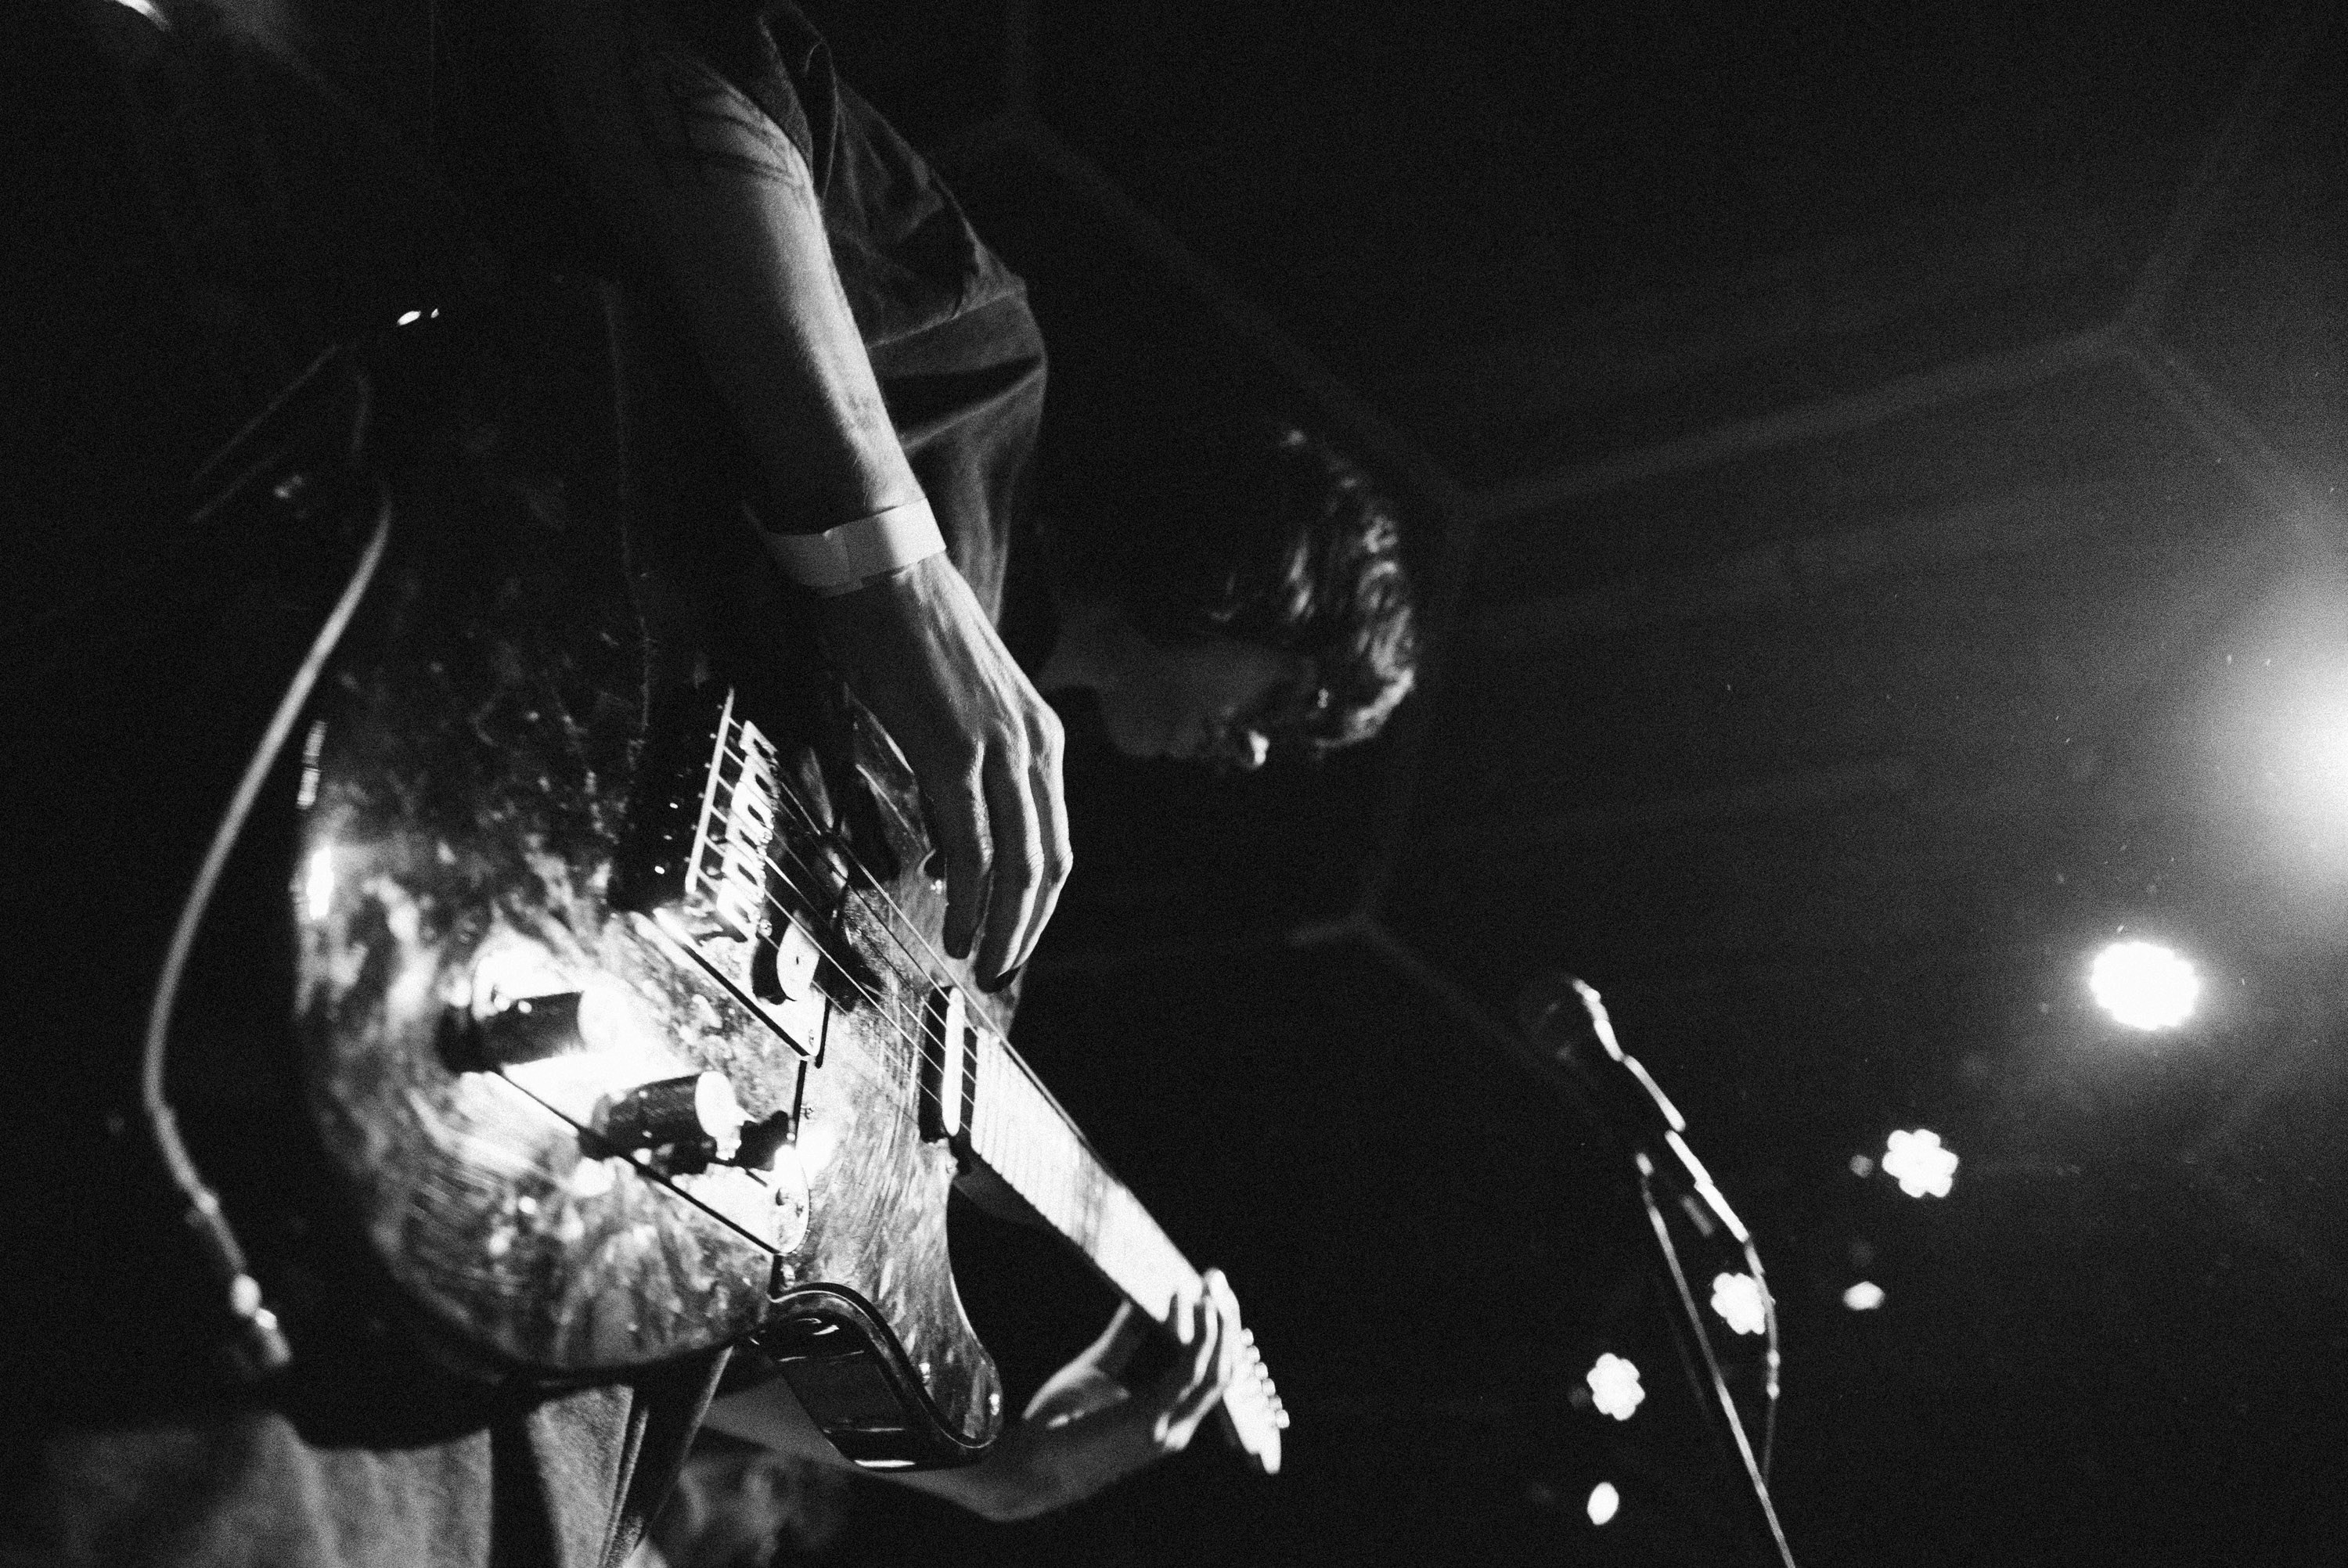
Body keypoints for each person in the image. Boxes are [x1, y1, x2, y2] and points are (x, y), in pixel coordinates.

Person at [4, 2, 1411, 1564]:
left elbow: (683, 1272)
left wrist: (982, 1470)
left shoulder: (954, 935)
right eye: (1296, 704)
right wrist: (886, 553)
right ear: (1247, 579)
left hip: (485, 1405)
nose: (1265, 759)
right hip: (204, 909)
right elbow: (662, 38)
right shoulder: (972, 380)